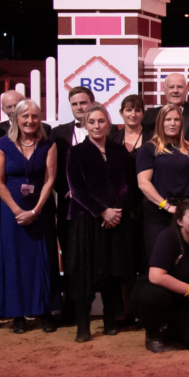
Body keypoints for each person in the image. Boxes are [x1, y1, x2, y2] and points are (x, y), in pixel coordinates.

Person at [64, 103, 136, 341]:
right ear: (85, 125)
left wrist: (116, 211)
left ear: (108, 123)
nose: (97, 126)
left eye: (101, 121)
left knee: (112, 272)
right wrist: (102, 212)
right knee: (84, 272)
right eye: (92, 122)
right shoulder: (76, 152)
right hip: (87, 220)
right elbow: (77, 189)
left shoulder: (119, 151)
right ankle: (83, 326)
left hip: (116, 219)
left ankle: (110, 321)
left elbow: (128, 185)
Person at [0, 99, 60, 334]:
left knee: (43, 259)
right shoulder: (2, 144)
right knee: (14, 260)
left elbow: (50, 180)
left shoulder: (48, 144)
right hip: (12, 212)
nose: (30, 121)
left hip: (41, 210)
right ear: (16, 118)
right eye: (25, 116)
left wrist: (36, 210)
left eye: (34, 116)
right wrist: (16, 210)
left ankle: (45, 312)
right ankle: (18, 314)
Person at [134, 200, 189, 352]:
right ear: (180, 221)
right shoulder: (168, 236)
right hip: (158, 296)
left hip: (183, 304)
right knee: (154, 295)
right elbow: (155, 276)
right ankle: (153, 335)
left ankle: (170, 331)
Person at [136, 103, 189, 261]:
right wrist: (167, 206)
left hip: (186, 212)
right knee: (159, 259)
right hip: (158, 212)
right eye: (168, 120)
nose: (172, 123)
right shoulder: (148, 149)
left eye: (176, 120)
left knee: (185, 260)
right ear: (160, 122)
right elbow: (144, 183)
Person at [51, 85, 95, 320]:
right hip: (68, 207)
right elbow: (53, 170)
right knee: (70, 257)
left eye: (83, 102)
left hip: (97, 208)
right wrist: (69, 190)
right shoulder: (57, 134)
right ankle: (70, 308)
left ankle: (104, 308)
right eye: (75, 104)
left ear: (92, 103)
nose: (79, 107)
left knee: (96, 256)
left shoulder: (106, 130)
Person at [112, 94, 146, 324]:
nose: (133, 114)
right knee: (124, 261)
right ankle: (126, 309)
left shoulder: (153, 137)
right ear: (121, 113)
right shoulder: (113, 138)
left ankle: (144, 309)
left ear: (143, 113)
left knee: (145, 259)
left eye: (137, 110)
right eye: (128, 109)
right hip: (120, 208)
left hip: (148, 205)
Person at [142, 73, 189, 140]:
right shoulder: (149, 116)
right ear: (164, 90)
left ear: (186, 89)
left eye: (179, 87)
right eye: (171, 87)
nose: (175, 91)